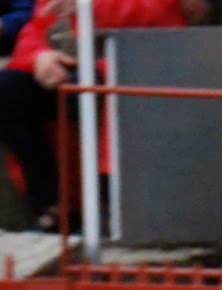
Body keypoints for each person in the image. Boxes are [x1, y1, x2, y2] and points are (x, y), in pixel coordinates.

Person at [0, 0, 209, 233]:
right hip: (75, 61)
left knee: (84, 89)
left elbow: (159, 12)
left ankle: (105, 205)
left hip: (141, 61)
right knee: (9, 90)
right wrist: (39, 56)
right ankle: (52, 206)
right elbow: (39, 25)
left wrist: (89, 6)